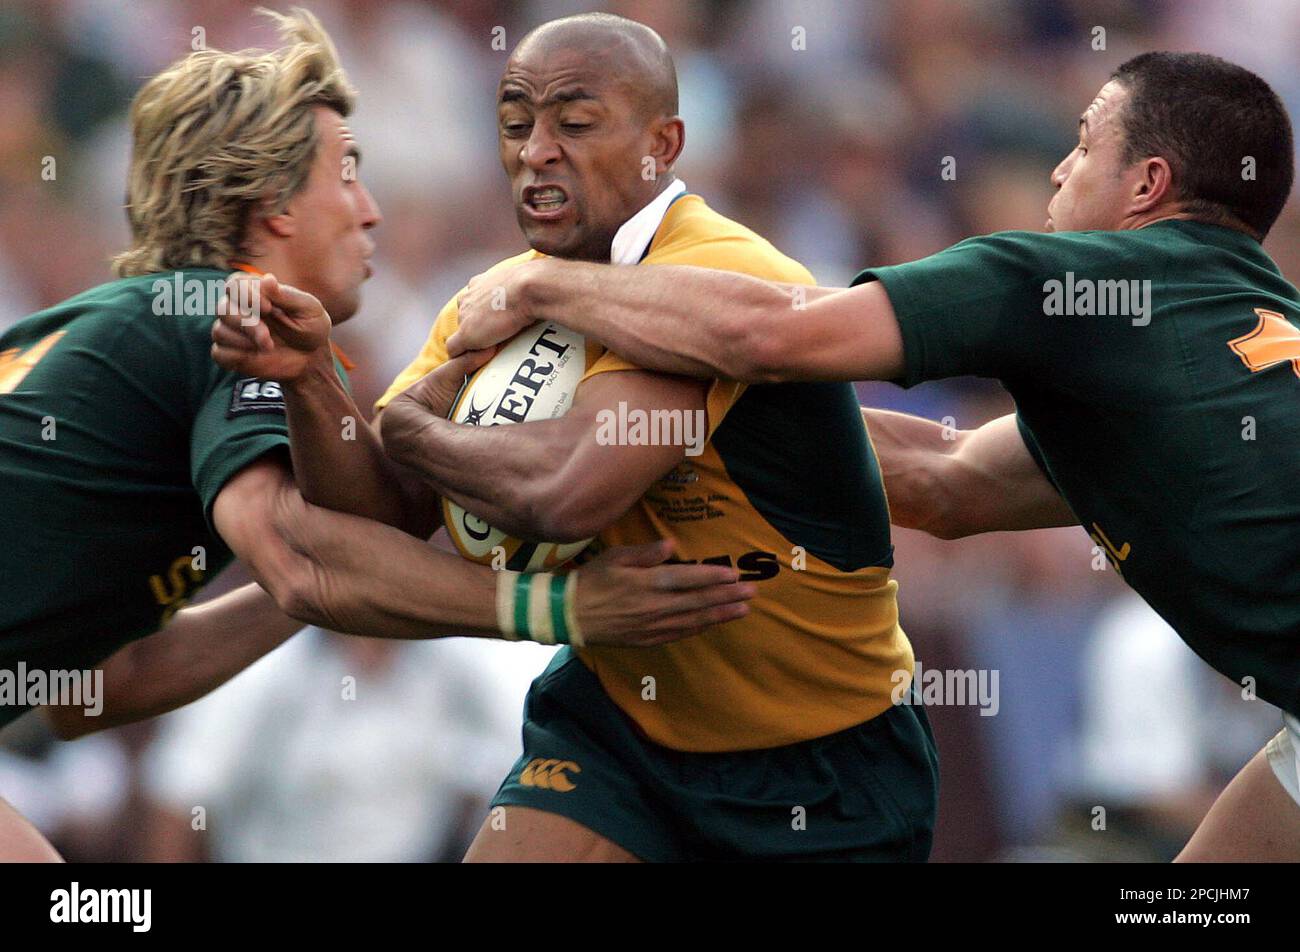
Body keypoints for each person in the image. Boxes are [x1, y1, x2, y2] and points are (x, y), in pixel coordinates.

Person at [448, 51, 1300, 861]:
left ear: (1148, 186)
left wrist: (538, 284)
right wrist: (678, 441)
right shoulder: (1234, 338)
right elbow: (949, 479)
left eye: (1082, 145)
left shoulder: (1076, 282)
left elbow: (771, 333)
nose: (1056, 171)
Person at [0, 8, 748, 862]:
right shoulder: (226, 317)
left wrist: (349, 560)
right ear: (271, 204)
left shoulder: (122, 338)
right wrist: (561, 607)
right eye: (347, 174)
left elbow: (97, 689)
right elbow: (297, 559)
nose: (372, 211)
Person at [214, 13, 938, 863]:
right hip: (619, 724)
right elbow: (377, 508)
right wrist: (310, 381)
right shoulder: (498, 294)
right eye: (516, 124)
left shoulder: (716, 276)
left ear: (662, 143)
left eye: (575, 123)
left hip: (822, 757)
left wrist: (409, 430)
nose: (536, 150)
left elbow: (562, 492)